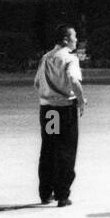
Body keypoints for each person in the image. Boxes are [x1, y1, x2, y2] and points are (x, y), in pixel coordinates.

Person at [34, 24, 87, 207]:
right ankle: (62, 194)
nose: (76, 39)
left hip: (49, 111)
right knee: (66, 151)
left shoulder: (46, 58)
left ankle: (45, 193)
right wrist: (80, 100)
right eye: (74, 36)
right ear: (66, 39)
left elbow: (36, 83)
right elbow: (73, 80)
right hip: (65, 110)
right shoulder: (70, 59)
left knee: (49, 148)